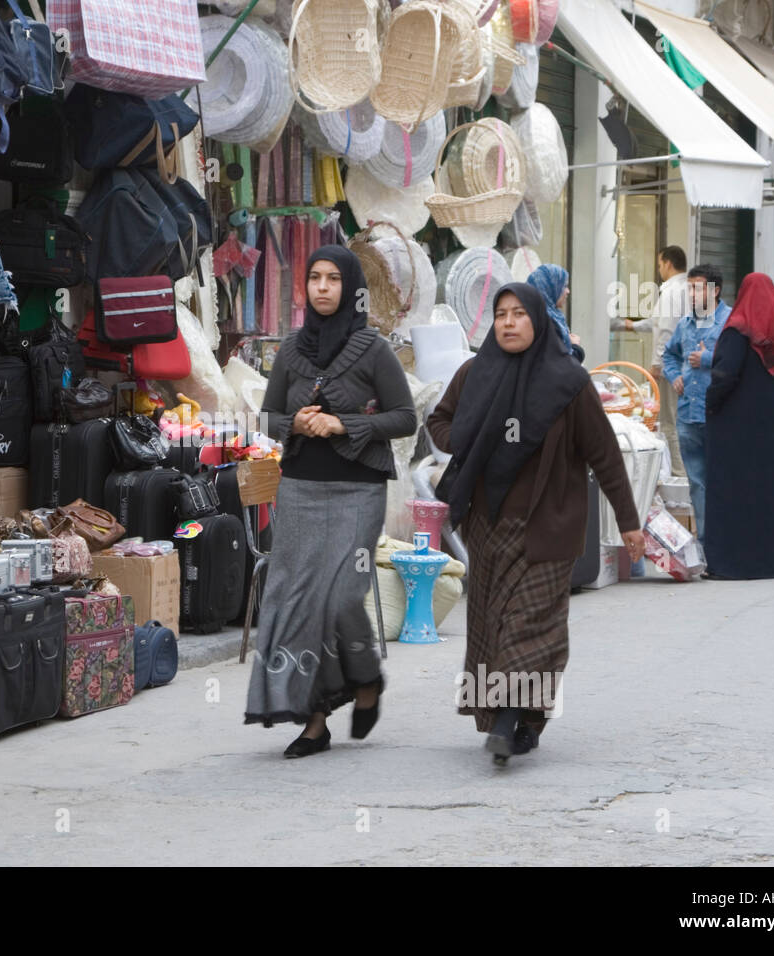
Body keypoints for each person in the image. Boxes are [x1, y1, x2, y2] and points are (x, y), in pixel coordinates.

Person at [427, 283, 645, 765]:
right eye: (500, 314)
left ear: (539, 321)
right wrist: (465, 438)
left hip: (549, 526)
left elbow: (605, 455)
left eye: (518, 314)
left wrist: (629, 521)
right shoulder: (474, 373)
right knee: (492, 623)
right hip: (486, 527)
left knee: (531, 624)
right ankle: (520, 719)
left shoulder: (569, 384)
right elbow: (439, 421)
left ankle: (509, 720)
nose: (507, 323)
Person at [245, 245, 417, 758]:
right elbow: (267, 417)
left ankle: (366, 681)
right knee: (300, 603)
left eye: (332, 279)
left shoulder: (374, 348)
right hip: (299, 489)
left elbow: (406, 417)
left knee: (341, 597)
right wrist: (292, 424)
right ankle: (314, 721)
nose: (321, 287)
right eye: (314, 278)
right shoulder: (293, 350)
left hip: (358, 490)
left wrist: (345, 423)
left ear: (350, 287)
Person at [704, 274, 774, 580]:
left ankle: (731, 564)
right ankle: (772, 563)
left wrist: (711, 404)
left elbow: (724, 377)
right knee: (770, 493)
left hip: (735, 431)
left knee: (732, 493)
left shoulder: (738, 331)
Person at [661, 264, 732, 547]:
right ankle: (705, 543)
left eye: (697, 287)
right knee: (697, 484)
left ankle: (726, 541)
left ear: (714, 291)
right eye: (689, 287)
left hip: (719, 414)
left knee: (722, 480)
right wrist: (675, 375)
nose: (691, 293)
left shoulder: (731, 323)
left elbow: (738, 365)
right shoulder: (685, 323)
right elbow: (669, 354)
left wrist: (706, 360)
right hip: (688, 414)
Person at [527, 264, 586, 363]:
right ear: (550, 288)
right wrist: (576, 347)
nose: (568, 291)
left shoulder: (538, 314)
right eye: (564, 286)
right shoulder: (546, 322)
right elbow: (563, 365)